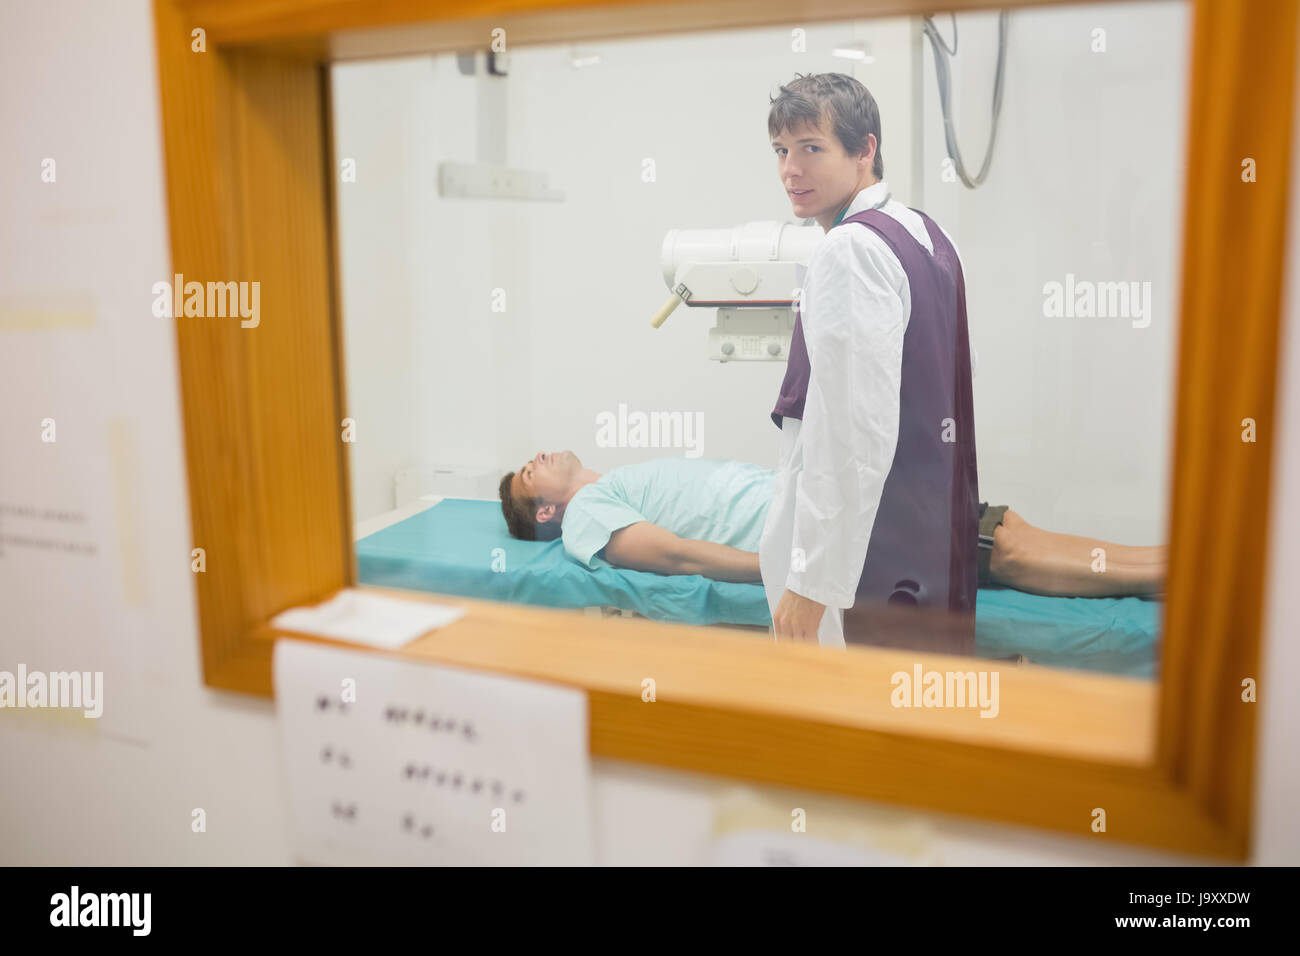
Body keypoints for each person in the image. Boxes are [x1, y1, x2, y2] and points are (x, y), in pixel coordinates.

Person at [761, 73, 979, 647]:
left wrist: (811, 584)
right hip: (928, 549)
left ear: (866, 150)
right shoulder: (929, 235)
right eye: (782, 151)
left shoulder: (851, 248)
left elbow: (853, 437)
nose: (791, 170)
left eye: (812, 148)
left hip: (863, 575)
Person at [497, 451, 1166, 600]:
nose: (539, 459)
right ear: (548, 514)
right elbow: (672, 557)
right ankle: (1169, 577)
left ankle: (1167, 564)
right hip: (823, 535)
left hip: (831, 505)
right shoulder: (587, 515)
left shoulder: (613, 482)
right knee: (1004, 551)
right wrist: (786, 566)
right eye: (530, 476)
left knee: (1003, 529)